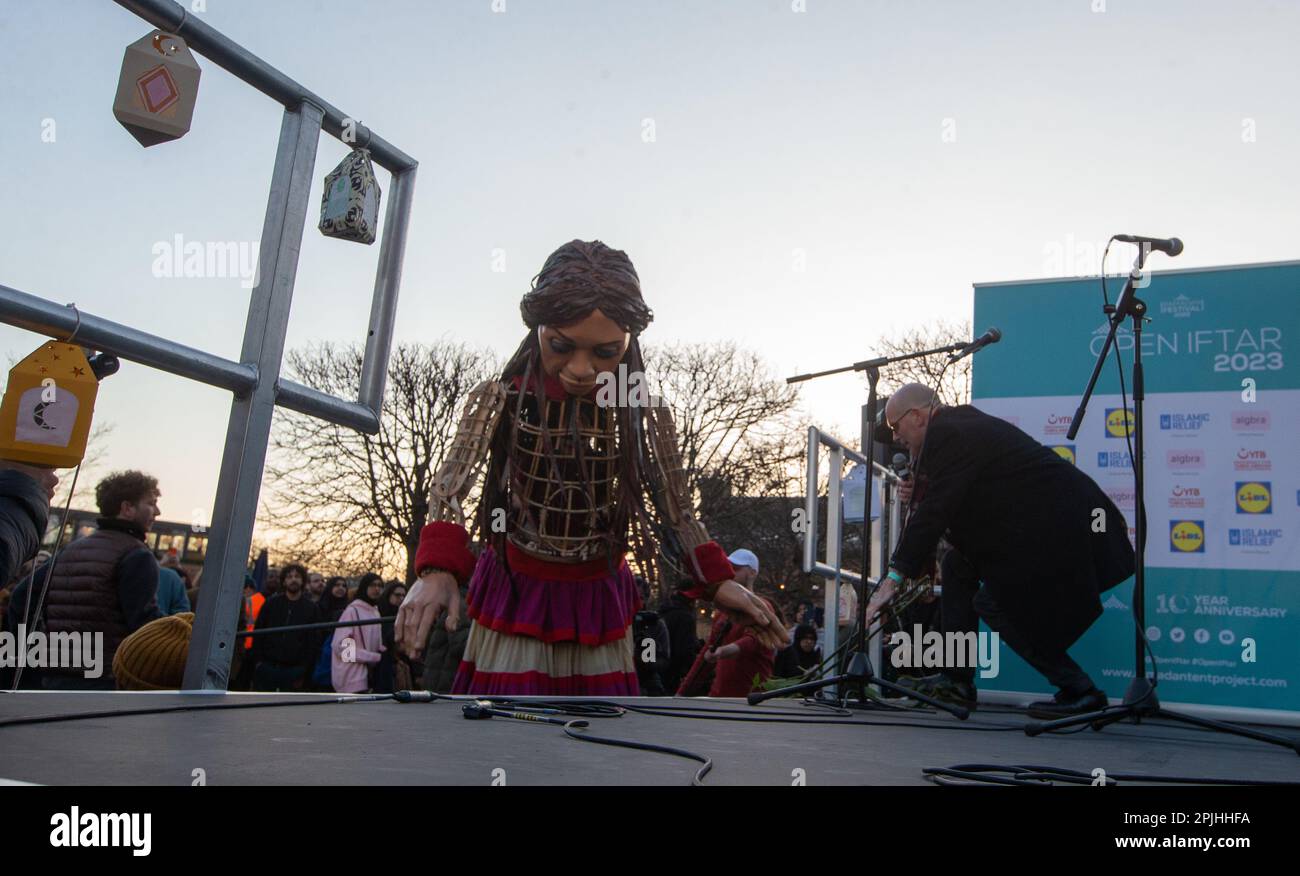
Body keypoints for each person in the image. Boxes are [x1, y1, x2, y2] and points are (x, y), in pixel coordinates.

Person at [394, 240, 785, 695]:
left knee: (596, 724)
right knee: (508, 720)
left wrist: (716, 581)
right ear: (538, 331)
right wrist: (438, 568)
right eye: (560, 345)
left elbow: (677, 511)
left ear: (628, 344)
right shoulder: (500, 400)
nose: (581, 369)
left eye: (605, 352)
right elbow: (450, 487)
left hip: (597, 599)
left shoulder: (643, 416)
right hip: (517, 591)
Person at [866, 383, 1135, 716]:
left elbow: (937, 511)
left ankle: (1080, 689)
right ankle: (956, 681)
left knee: (993, 603)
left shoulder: (948, 433)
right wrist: (923, 489)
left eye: (896, 426)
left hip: (1068, 528)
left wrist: (893, 579)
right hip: (1049, 527)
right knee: (956, 566)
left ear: (918, 416)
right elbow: (962, 497)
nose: (896, 437)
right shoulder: (958, 428)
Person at [36, 470, 164, 689]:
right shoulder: (136, 555)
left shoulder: (69, 551)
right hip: (105, 679)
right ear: (127, 508)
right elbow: (144, 624)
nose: (157, 512)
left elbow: (21, 600)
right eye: (151, 503)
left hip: (53, 677)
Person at [250, 562, 321, 691]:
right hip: (267, 667)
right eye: (289, 577)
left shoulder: (311, 608)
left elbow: (313, 641)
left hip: (295, 671)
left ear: (303, 581)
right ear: (283, 581)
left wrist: (304, 669)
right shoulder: (271, 604)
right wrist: (258, 663)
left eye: (297, 576)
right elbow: (259, 632)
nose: (293, 580)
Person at [331, 573, 384, 694]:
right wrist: (373, 657)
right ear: (364, 587)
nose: (377, 589)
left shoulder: (375, 612)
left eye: (380, 585)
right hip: (351, 678)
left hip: (369, 676)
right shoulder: (352, 611)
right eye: (372, 585)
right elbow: (341, 647)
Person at [656, 580, 700, 694]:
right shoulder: (685, 617)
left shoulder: (662, 611)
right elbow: (684, 652)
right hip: (674, 676)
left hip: (659, 672)